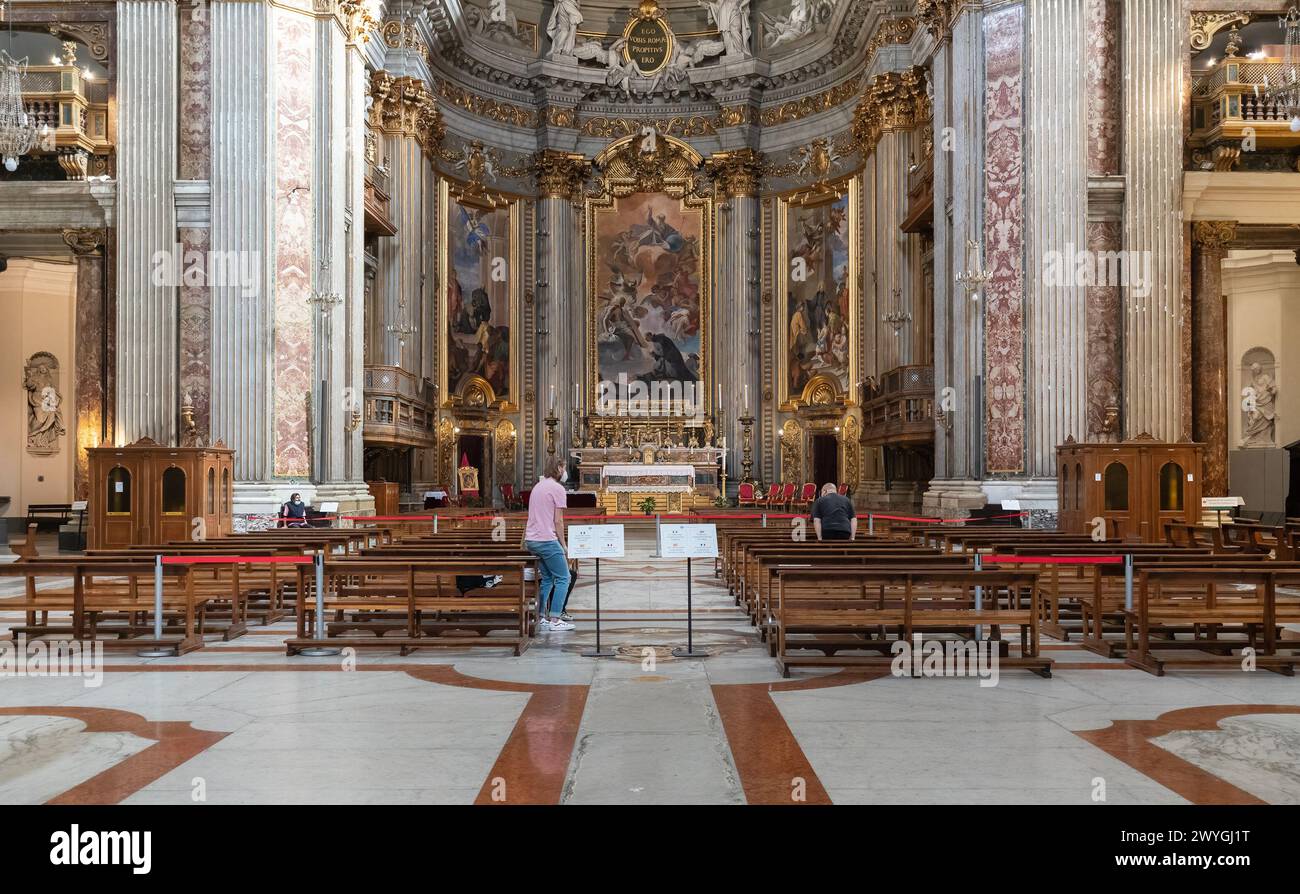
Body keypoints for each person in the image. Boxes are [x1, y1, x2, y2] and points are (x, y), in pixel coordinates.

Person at [524, 458, 573, 631]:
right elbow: (558, 521)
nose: (565, 472)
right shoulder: (557, 488)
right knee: (563, 578)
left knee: (547, 579)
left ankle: (541, 616)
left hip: (532, 539)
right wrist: (564, 544)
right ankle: (555, 619)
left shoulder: (538, 486)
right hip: (546, 540)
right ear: (559, 468)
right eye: (564, 468)